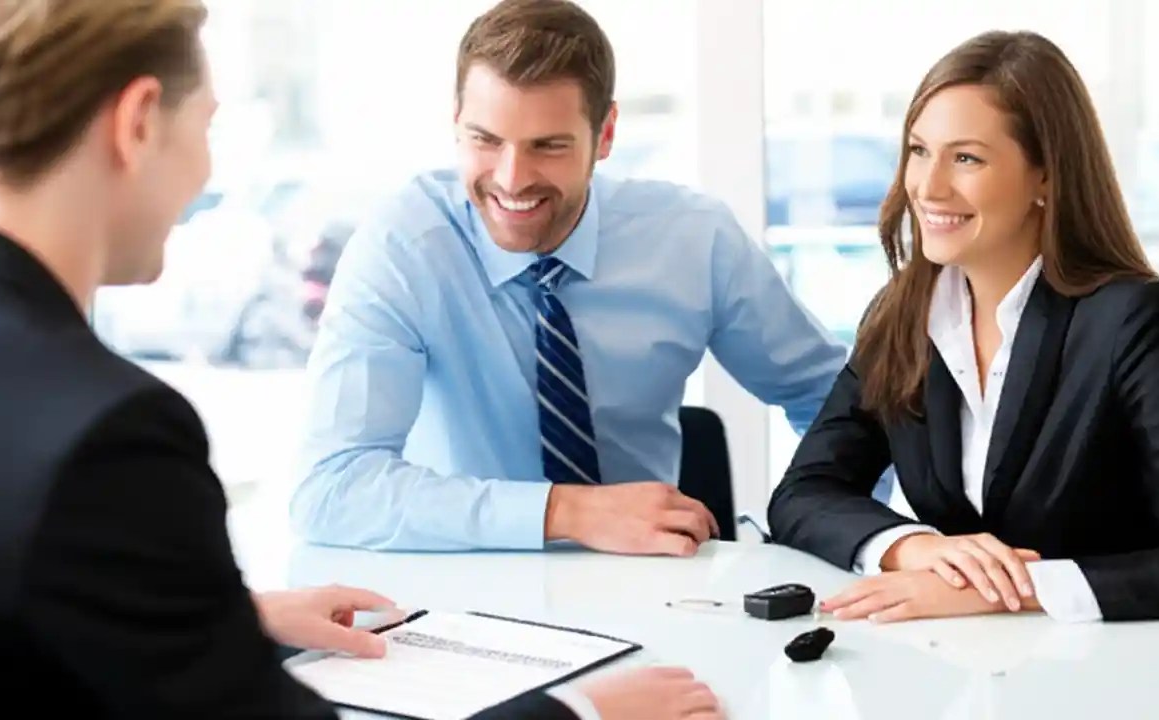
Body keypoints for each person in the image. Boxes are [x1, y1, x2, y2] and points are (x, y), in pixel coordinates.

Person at [0, 1, 723, 718]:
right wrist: (578, 713)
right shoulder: (111, 436)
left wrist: (233, 618)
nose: (206, 173)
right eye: (206, 127)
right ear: (137, 122)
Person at [291, 0, 846, 555]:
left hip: (650, 588)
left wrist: (842, 540)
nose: (512, 180)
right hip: (457, 596)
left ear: (604, 135)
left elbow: (832, 400)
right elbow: (332, 488)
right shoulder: (403, 247)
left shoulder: (692, 239)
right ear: (456, 122)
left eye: (548, 146)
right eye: (485, 139)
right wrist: (565, 511)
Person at [766, 29, 1159, 623]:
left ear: (1046, 175)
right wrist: (919, 550)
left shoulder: (1132, 319)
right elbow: (803, 493)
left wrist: (1009, 589)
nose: (928, 186)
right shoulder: (906, 313)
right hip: (962, 670)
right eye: (919, 151)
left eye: (966, 157)